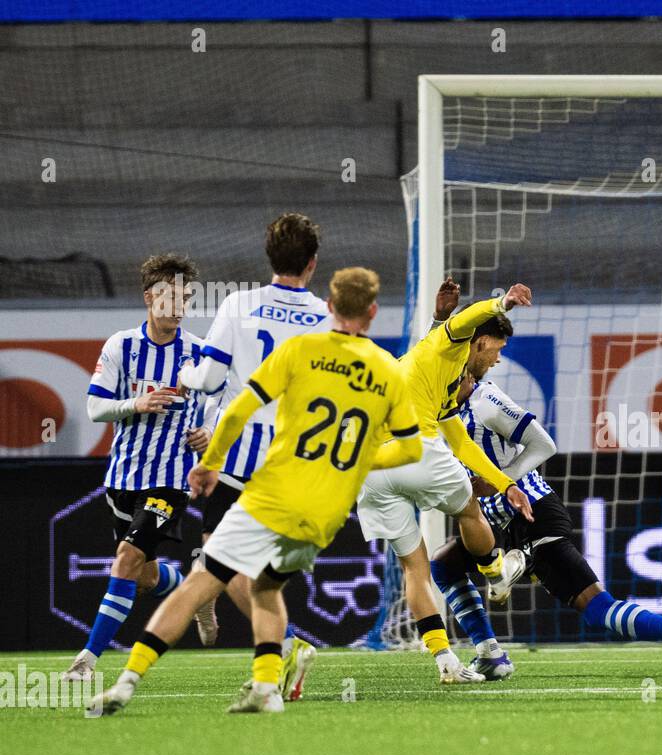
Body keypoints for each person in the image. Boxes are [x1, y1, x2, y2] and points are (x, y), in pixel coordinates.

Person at [87, 267, 422, 715]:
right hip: (327, 509)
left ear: (331, 308)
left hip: (270, 487)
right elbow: (411, 448)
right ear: (373, 313)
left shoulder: (301, 349)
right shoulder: (388, 368)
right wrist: (358, 463)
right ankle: (266, 686)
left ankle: (125, 683)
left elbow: (241, 405)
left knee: (201, 580)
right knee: (266, 587)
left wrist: (209, 462)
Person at [429, 368, 662, 681]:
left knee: (593, 605)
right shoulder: (448, 414)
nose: (446, 385)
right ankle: (491, 653)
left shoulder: (486, 400)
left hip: (534, 513)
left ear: (466, 375)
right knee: (445, 566)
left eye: (452, 378)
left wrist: (501, 481)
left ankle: (513, 566)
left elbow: (544, 444)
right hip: (504, 524)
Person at [354, 277, 535, 683]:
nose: (497, 361)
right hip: (415, 449)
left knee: (414, 569)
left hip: (372, 469)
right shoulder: (451, 345)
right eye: (497, 350)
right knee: (469, 508)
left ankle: (446, 663)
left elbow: (464, 445)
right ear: (482, 342)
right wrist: (501, 303)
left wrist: (505, 483)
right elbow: (464, 322)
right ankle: (494, 573)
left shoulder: (441, 377)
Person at [178, 212, 329, 696]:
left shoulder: (239, 304)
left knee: (219, 553)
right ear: (312, 263)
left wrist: (184, 375)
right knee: (258, 567)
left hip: (243, 453)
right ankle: (280, 653)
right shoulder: (327, 315)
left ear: (270, 257)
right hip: (299, 457)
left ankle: (282, 650)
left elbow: (211, 379)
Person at [64, 254, 209, 681]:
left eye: (185, 296)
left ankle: (87, 660)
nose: (179, 305)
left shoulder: (199, 353)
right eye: (171, 295)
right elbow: (94, 408)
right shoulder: (121, 346)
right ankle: (194, 587)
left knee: (126, 558)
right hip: (123, 480)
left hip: (170, 480)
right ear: (150, 297)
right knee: (143, 576)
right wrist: (136, 403)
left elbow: (219, 404)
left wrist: (208, 433)